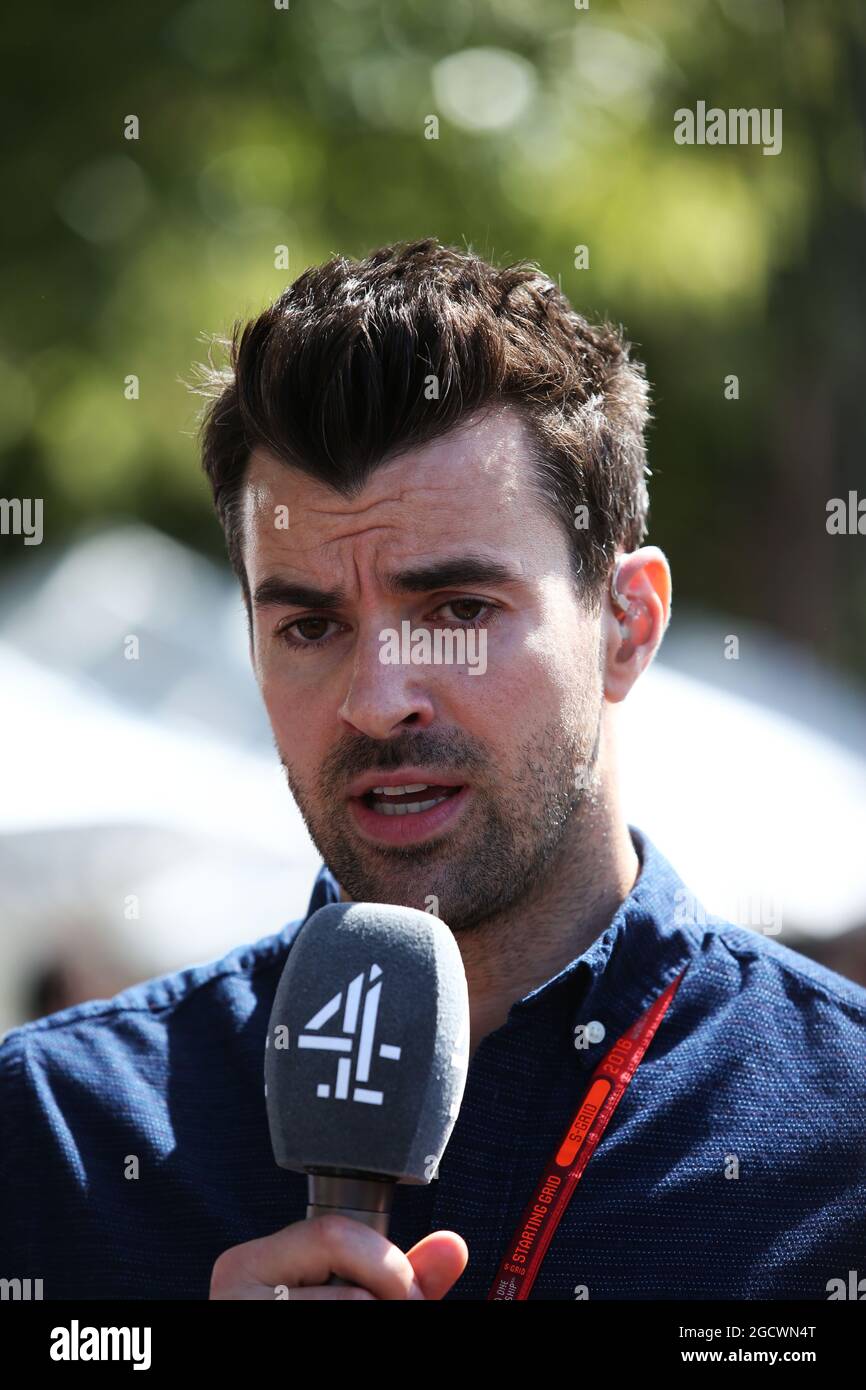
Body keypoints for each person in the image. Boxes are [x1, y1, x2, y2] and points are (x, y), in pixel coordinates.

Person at [2, 239, 864, 1301]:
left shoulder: (841, 1134)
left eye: (458, 611)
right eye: (311, 625)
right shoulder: (61, 1132)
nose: (377, 698)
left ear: (626, 624)